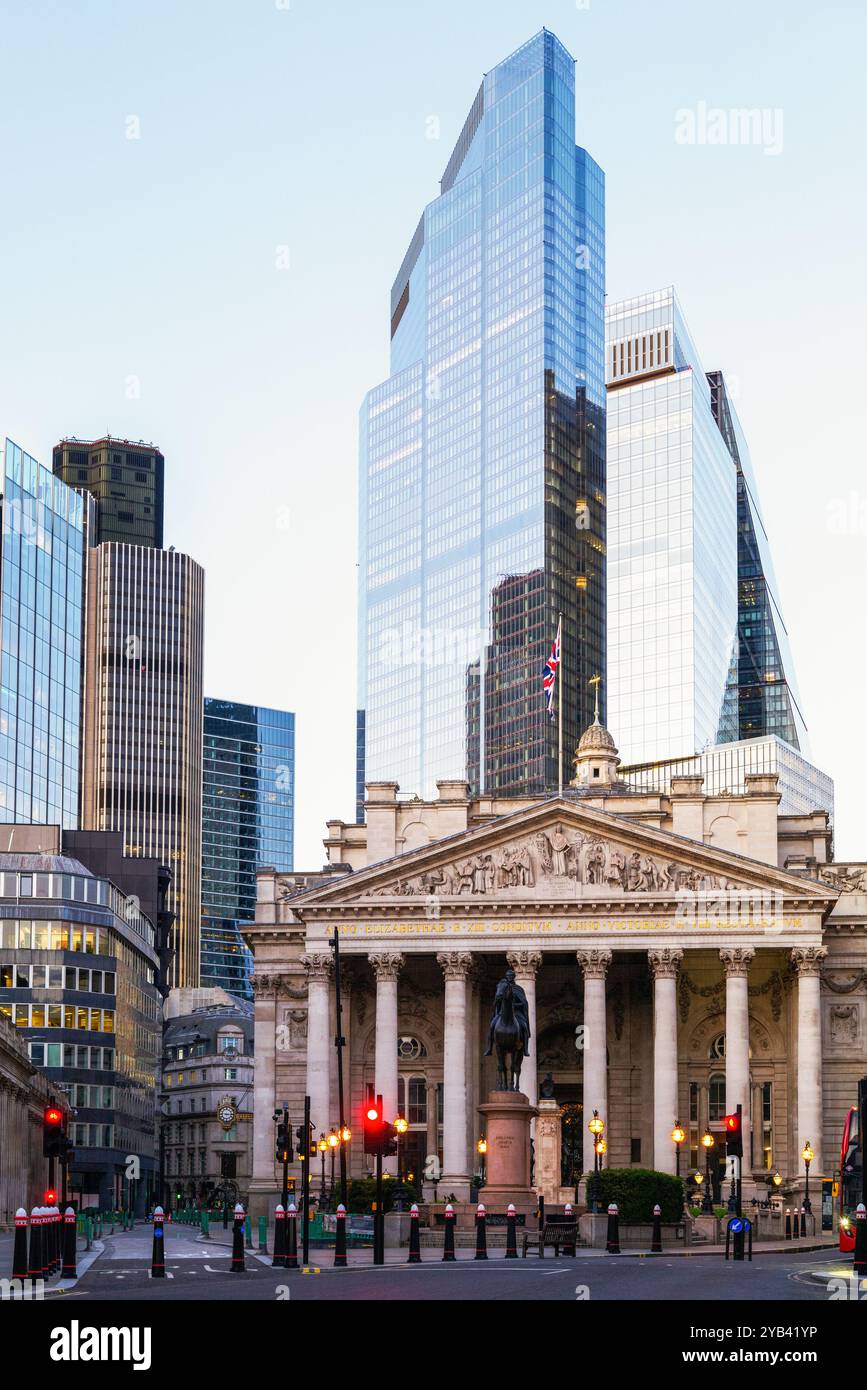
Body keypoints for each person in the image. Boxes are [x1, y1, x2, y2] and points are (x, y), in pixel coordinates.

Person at [483, 968, 531, 1056]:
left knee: (524, 1027)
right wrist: (497, 1001)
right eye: (508, 976)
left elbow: (523, 1004)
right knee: (492, 1025)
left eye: (511, 976)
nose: (509, 978)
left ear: (514, 977)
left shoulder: (518, 989)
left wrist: (514, 1006)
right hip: (502, 1013)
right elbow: (497, 1001)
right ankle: (489, 1048)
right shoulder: (502, 987)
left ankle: (525, 1049)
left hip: (516, 1013)